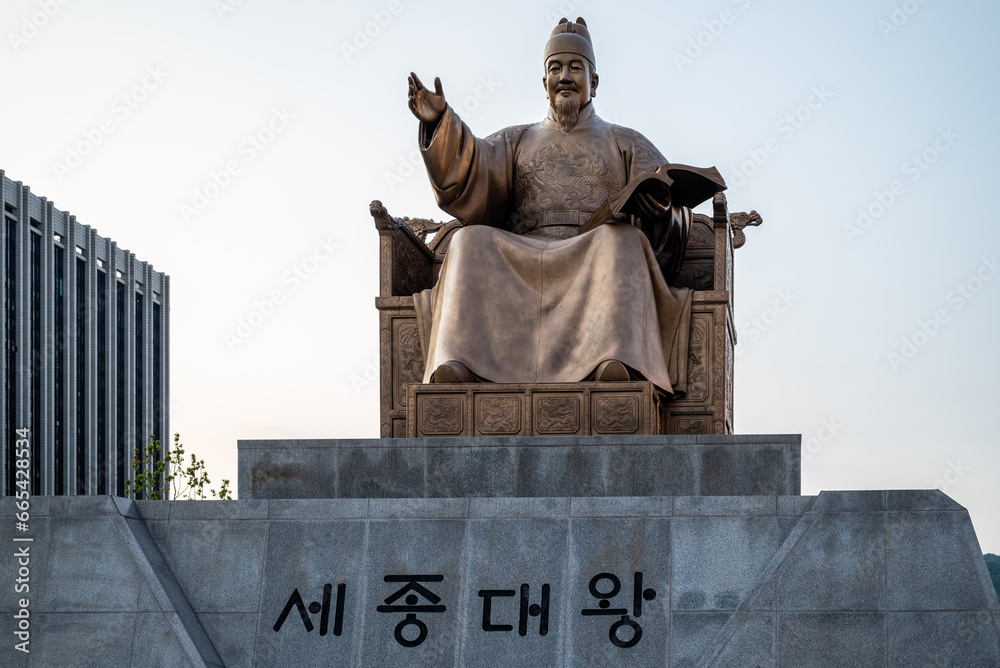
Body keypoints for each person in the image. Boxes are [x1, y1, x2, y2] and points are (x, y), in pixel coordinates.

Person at [407, 17, 695, 396]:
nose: (564, 76)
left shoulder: (626, 141)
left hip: (594, 254)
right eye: (555, 68)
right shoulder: (516, 139)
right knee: (468, 241)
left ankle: (615, 358)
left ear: (594, 82)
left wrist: (659, 209)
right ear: (543, 83)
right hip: (523, 251)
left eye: (576, 68)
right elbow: (471, 168)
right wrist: (442, 123)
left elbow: (672, 201)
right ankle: (460, 361)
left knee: (620, 242)